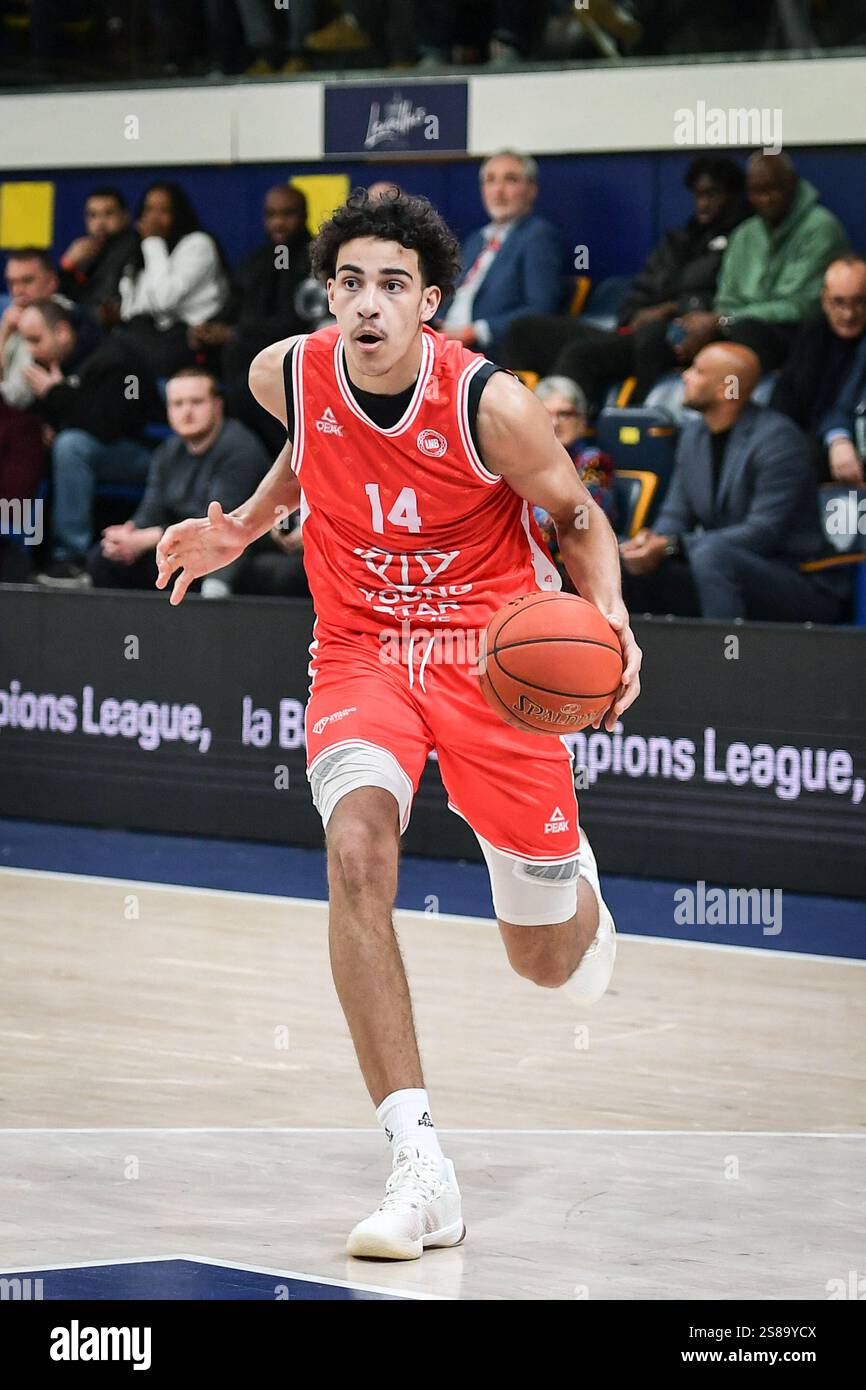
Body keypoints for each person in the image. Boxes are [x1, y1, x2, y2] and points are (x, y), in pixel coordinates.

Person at [154, 189, 641, 1261]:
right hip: (362, 649)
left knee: (547, 963)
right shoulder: (287, 369)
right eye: (348, 284)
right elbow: (309, 449)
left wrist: (605, 616)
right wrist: (242, 524)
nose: (366, 305)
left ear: (430, 302)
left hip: (489, 655)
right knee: (356, 851)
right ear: (327, 295)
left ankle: (577, 888)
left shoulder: (490, 405)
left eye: (391, 286)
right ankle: (419, 1162)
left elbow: (575, 516)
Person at [619, 342, 849, 622]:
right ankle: (632, 657)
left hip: (796, 578)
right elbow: (675, 513)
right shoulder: (693, 435)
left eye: (698, 371)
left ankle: (725, 660)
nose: (685, 375)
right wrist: (651, 542)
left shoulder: (780, 440)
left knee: (712, 555)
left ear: (726, 389)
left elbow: (762, 533)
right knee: (621, 558)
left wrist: (672, 547)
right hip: (720, 569)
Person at [501, 154, 750, 410]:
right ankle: (509, 418)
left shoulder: (744, 242)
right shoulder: (678, 240)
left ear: (734, 196)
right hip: (632, 330)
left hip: (670, 339)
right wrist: (636, 313)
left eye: (713, 194)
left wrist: (669, 310)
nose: (704, 204)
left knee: (580, 354)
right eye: (698, 195)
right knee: (523, 331)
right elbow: (640, 290)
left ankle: (569, 434)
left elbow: (723, 302)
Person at [87, 367, 270, 593]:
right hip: (179, 542)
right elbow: (152, 509)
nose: (187, 412)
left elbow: (219, 522)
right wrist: (130, 532)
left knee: (215, 572)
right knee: (105, 558)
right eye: (178, 404)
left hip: (233, 548)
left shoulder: (240, 447)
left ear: (217, 405)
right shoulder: (167, 451)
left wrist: (145, 539)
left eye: (196, 402)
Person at [17, 299, 161, 586]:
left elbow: (106, 426)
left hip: (143, 455)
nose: (31, 350)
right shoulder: (53, 362)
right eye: (26, 342)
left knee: (72, 446)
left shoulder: (115, 357)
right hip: (96, 451)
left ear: (62, 332)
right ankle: (17, 551)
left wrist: (56, 395)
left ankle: (70, 559)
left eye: (36, 340)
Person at [670, 152, 849, 374]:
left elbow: (800, 306)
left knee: (742, 333)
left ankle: (733, 399)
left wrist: (724, 321)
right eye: (757, 192)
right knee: (668, 336)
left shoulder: (821, 228)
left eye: (773, 189)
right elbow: (726, 299)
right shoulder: (745, 233)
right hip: (735, 325)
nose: (766, 199)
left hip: (797, 334)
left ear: (792, 183)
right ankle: (659, 405)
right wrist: (717, 323)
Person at [195, 183, 312, 455]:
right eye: (271, 215)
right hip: (243, 362)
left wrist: (237, 334)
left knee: (241, 395)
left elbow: (297, 324)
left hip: (291, 364)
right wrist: (207, 329)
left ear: (304, 215)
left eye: (287, 214)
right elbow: (232, 306)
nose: (279, 223)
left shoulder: (316, 260)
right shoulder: (256, 260)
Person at [438, 150, 564, 361]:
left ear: (531, 190)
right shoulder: (476, 239)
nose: (498, 191)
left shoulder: (538, 236)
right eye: (490, 180)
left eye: (510, 180)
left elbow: (541, 308)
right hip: (445, 343)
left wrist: (475, 331)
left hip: (489, 351)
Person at [112, 182, 229, 379]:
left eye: (164, 210)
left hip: (190, 342)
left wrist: (152, 241)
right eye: (148, 209)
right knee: (116, 348)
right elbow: (132, 311)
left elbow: (163, 300)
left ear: (178, 214)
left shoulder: (198, 244)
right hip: (152, 339)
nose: (154, 218)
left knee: (122, 352)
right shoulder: (138, 254)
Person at [770, 255, 866, 482]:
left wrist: (837, 437)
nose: (848, 314)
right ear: (824, 300)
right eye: (839, 302)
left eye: (859, 301)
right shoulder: (812, 335)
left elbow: (846, 405)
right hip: (815, 439)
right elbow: (786, 397)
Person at [532, 376, 617, 554]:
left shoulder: (594, 462)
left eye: (564, 414)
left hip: (572, 563)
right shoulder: (525, 461)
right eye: (546, 414)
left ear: (582, 420)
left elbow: (581, 522)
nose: (554, 423)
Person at [57, 186, 139, 324]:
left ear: (125, 216)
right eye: (93, 215)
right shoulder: (89, 251)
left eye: (108, 214)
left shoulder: (132, 248)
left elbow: (100, 300)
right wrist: (68, 265)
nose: (100, 223)